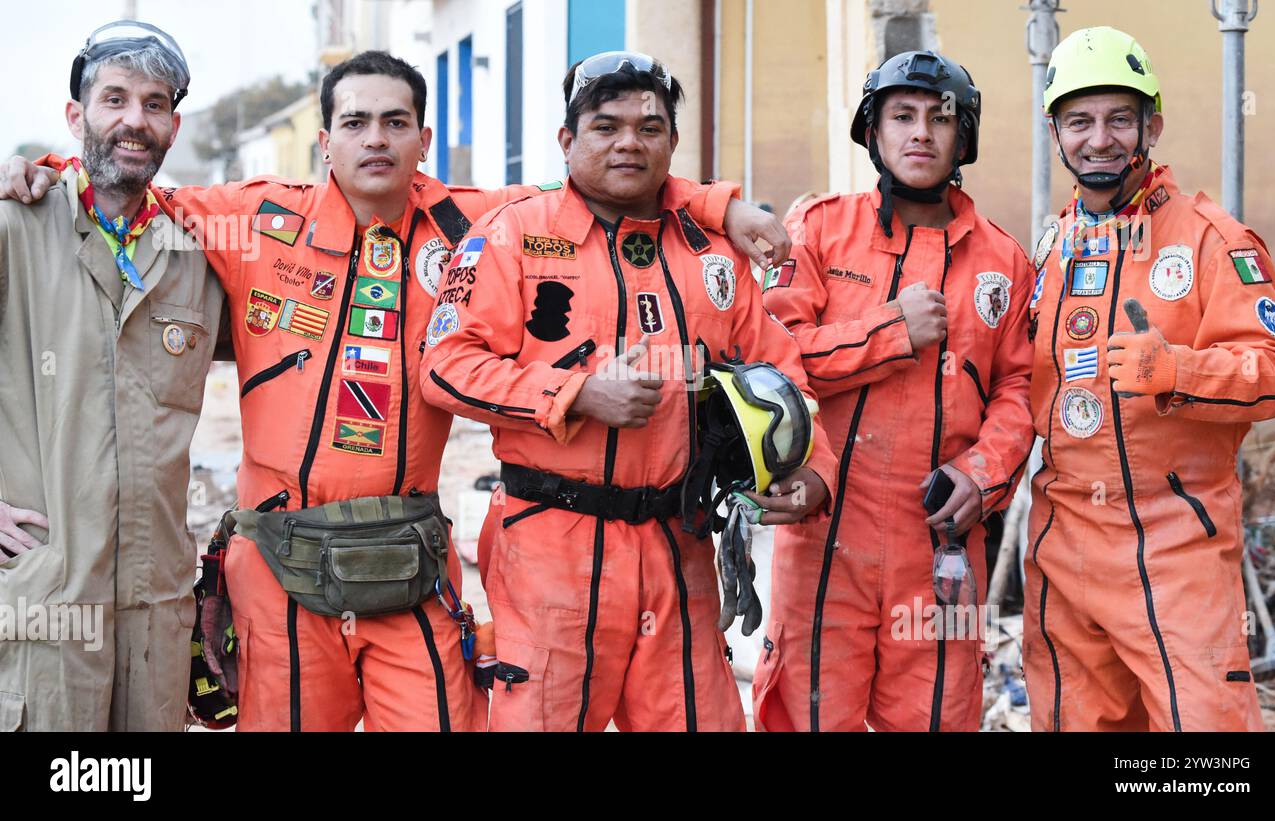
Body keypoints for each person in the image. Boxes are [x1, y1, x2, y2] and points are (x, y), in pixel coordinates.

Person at [0, 50, 788, 731]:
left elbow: (607, 182)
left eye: (396, 121)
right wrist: (43, 171)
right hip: (279, 563)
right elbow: (128, 186)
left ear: (424, 138)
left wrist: (718, 202)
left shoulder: (480, 225)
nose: (376, 137)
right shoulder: (253, 218)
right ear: (325, 140)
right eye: (355, 122)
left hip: (409, 558)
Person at [420, 51, 838, 731]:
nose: (628, 143)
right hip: (550, 550)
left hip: (681, 552)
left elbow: (782, 371)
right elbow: (444, 364)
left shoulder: (711, 253)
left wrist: (814, 470)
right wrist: (574, 393)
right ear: (566, 141)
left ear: (672, 143)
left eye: (649, 128)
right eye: (605, 126)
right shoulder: (512, 236)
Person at [1025, 26, 1275, 731]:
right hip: (1063, 547)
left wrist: (1178, 370)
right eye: (1079, 121)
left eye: (1120, 118)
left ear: (1152, 125)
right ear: (1056, 131)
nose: (1100, 139)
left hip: (1176, 543)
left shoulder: (1210, 237)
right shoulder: (1055, 245)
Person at [752, 50, 1036, 732]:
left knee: (940, 716)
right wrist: (889, 330)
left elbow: (1021, 386)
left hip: (940, 542)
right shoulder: (818, 229)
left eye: (940, 119)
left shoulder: (1004, 259)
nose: (920, 134)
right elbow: (772, 360)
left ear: (964, 137)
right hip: (824, 538)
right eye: (900, 116)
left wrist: (983, 474)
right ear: (872, 132)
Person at [0, 21, 224, 731]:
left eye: (154, 103)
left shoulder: (197, 255)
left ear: (173, 125)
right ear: (76, 116)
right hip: (47, 594)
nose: (135, 120)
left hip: (156, 607)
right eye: (115, 98)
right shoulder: (15, 229)